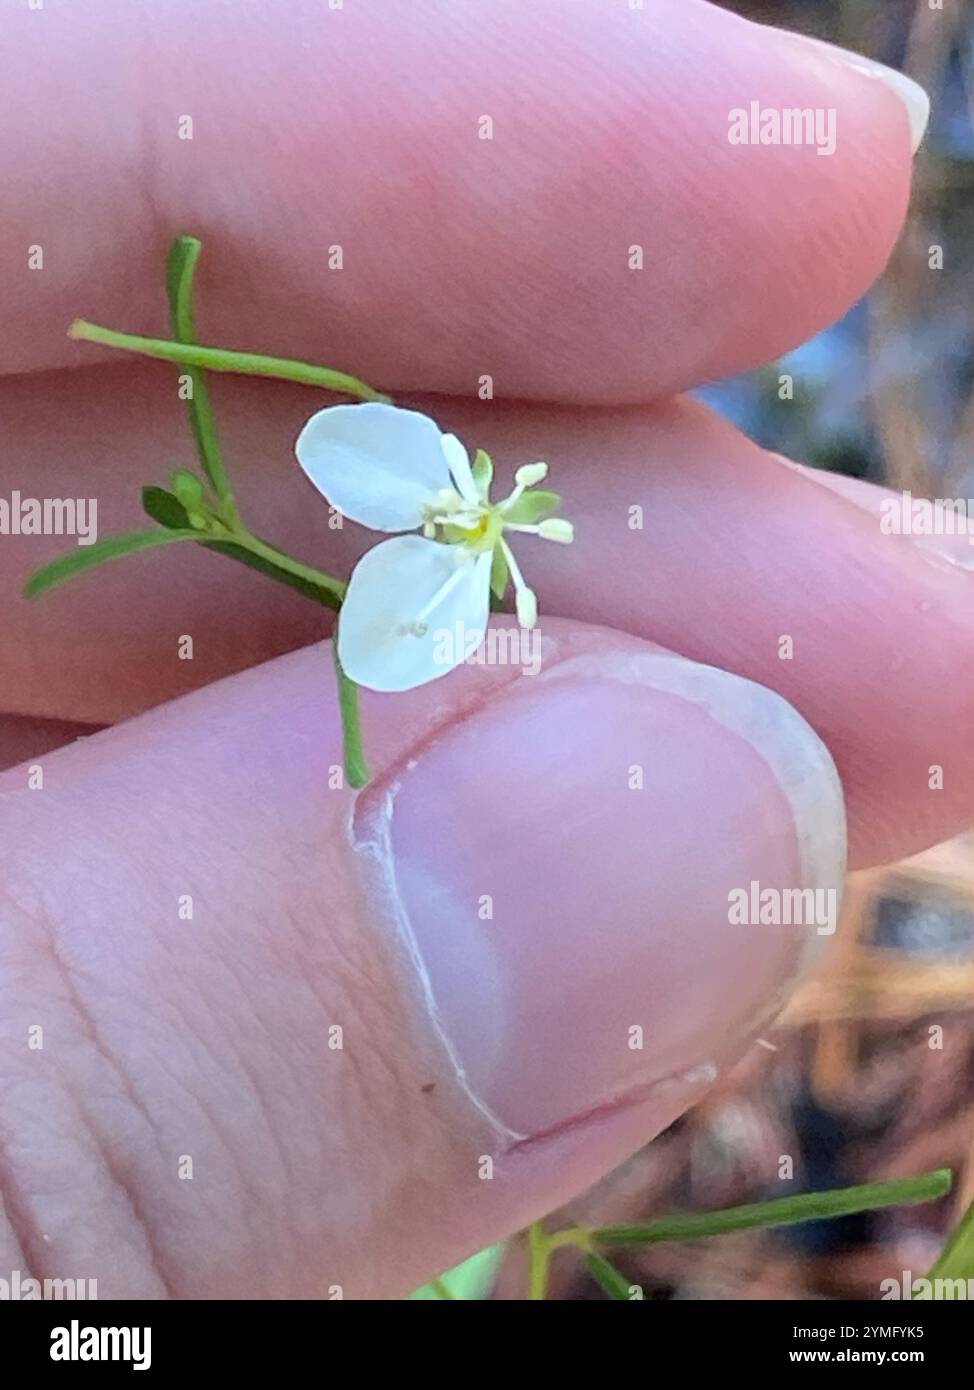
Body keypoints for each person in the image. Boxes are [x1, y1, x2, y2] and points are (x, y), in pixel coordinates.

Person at [0, 1, 958, 1300]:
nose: (482, 516)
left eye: (479, 515)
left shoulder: (435, 547)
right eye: (473, 515)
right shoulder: (422, 542)